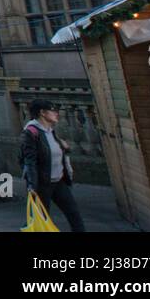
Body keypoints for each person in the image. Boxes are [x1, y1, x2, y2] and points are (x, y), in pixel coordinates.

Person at [20, 99, 86, 231]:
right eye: (52, 110)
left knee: (74, 213)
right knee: (40, 219)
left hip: (58, 181)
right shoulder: (31, 132)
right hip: (42, 184)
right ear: (42, 113)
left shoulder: (50, 131)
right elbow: (30, 161)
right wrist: (32, 186)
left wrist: (65, 148)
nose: (57, 113)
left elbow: (54, 153)